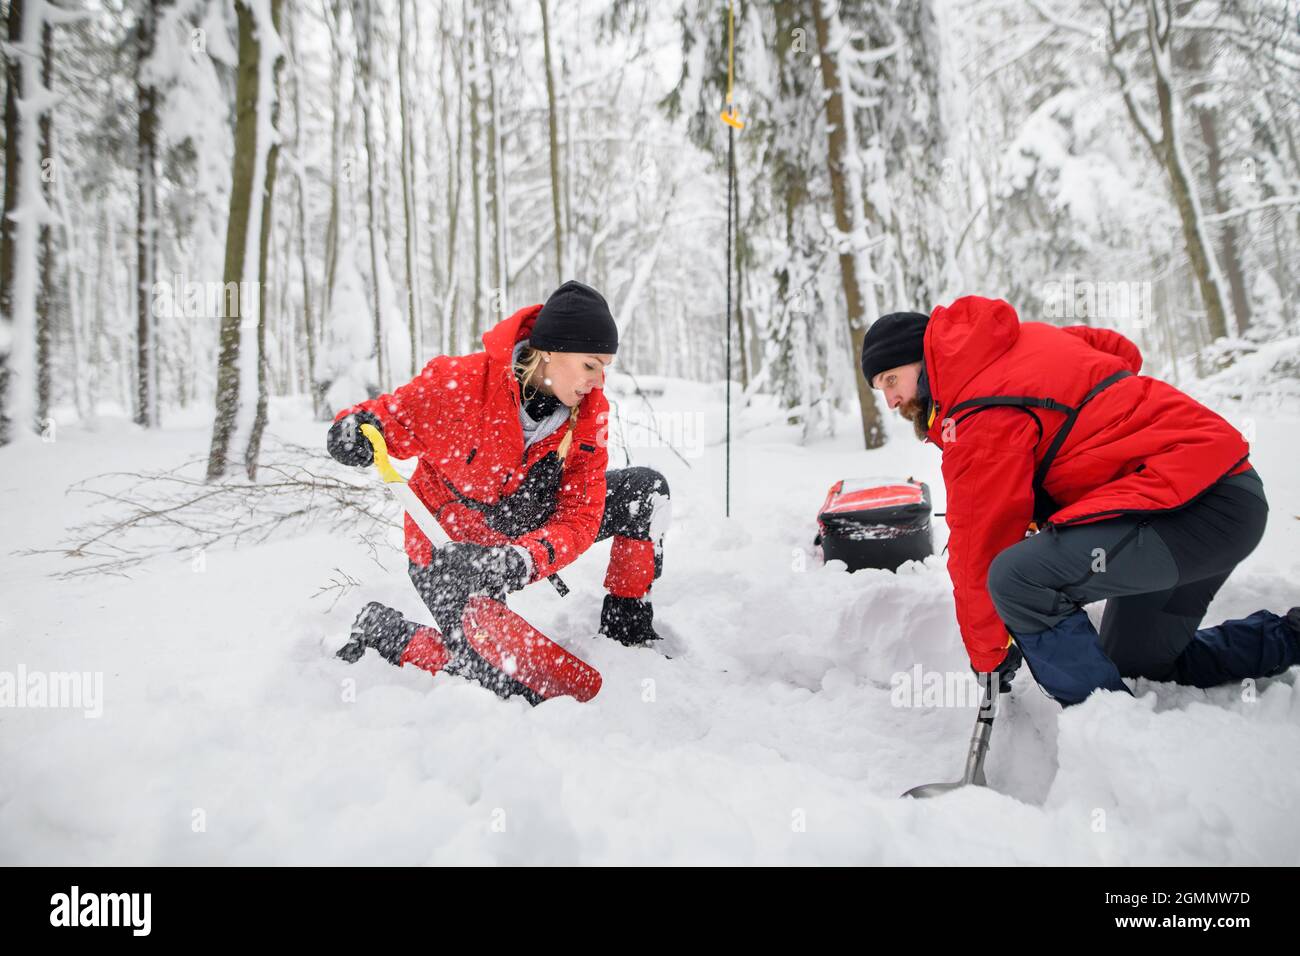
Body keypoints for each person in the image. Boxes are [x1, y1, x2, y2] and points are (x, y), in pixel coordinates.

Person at [861, 295, 1299, 705]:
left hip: (1200, 508)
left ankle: (1114, 740)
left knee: (1017, 579)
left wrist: (989, 654)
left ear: (925, 358)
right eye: (882, 389)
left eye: (892, 379)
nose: (892, 398)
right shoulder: (1016, 344)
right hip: (1216, 495)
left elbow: (980, 546)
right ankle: (1291, 636)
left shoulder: (979, 411)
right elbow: (1117, 351)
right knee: (1139, 664)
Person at [326, 280, 671, 699]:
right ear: (551, 352)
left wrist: (520, 560)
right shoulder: (464, 384)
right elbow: (387, 417)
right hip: (449, 549)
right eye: (590, 364)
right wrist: (358, 429)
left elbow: (581, 516)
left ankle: (626, 628)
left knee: (644, 491)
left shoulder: (588, 419)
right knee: (504, 682)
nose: (598, 381)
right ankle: (390, 632)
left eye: (604, 367)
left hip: (517, 534)